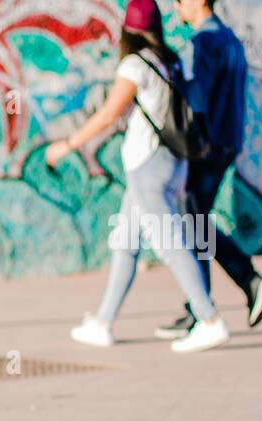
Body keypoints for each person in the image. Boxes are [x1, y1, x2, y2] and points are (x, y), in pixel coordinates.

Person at [45, 0, 229, 353]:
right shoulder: (169, 59)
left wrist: (66, 145)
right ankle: (102, 322)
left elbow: (108, 115)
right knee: (127, 243)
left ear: (126, 30)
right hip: (173, 163)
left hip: (148, 167)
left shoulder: (136, 65)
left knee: (169, 243)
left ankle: (209, 320)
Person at [155, 0, 262, 340]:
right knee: (197, 221)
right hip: (225, 142)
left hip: (206, 146)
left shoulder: (204, 42)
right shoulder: (228, 38)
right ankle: (203, 303)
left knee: (193, 222)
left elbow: (198, 99)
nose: (177, 7)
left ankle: (240, 284)